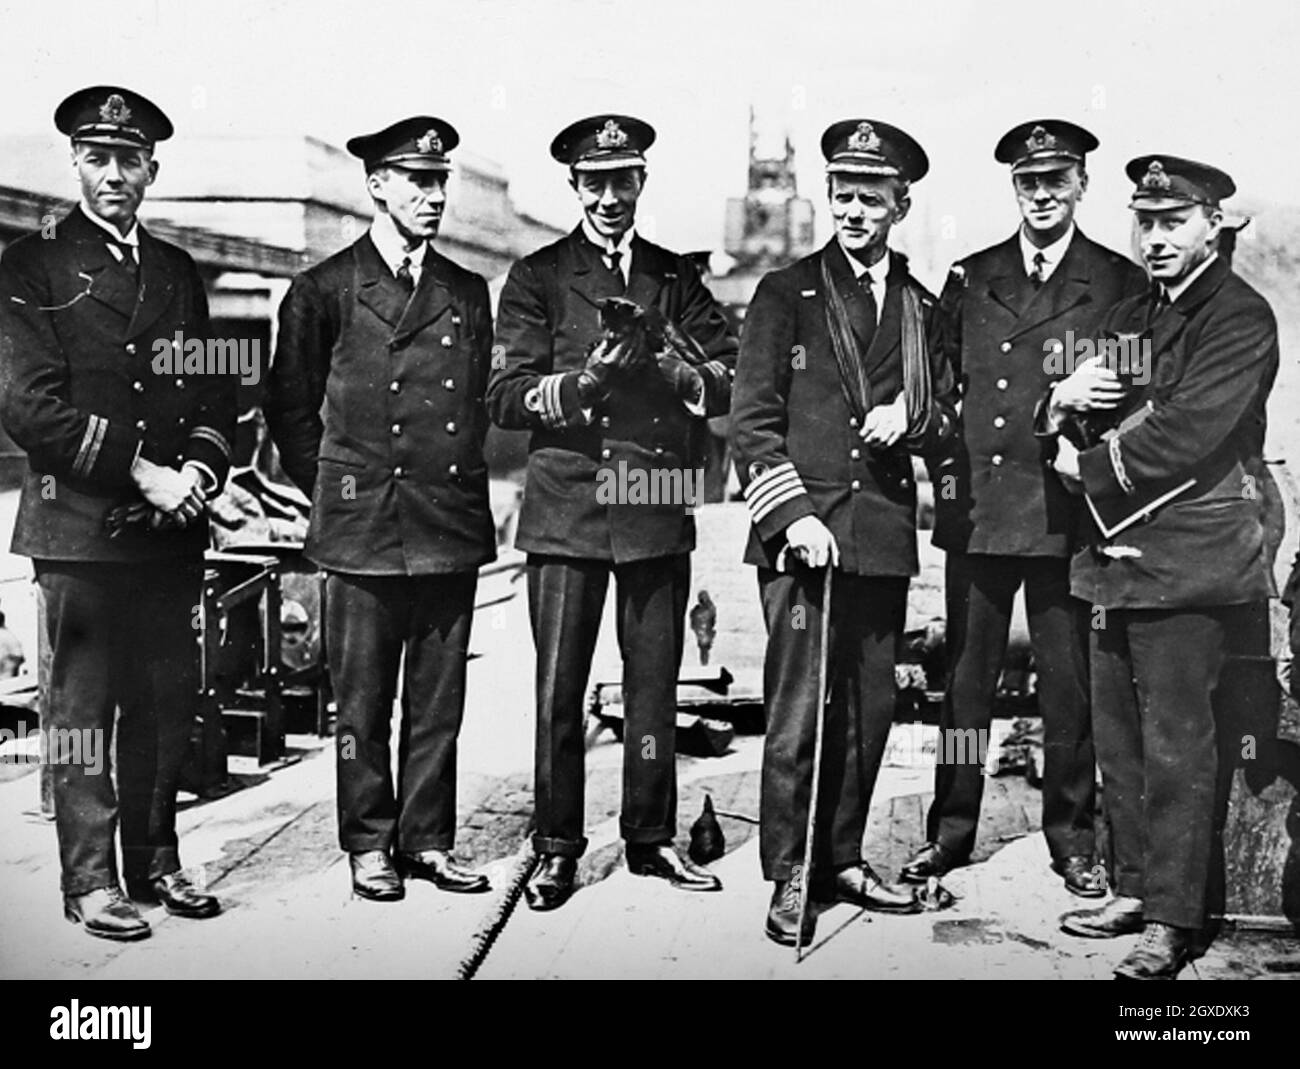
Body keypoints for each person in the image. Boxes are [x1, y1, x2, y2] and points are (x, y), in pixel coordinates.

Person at [0, 86, 235, 939]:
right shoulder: (31, 268)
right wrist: (144, 472)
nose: (112, 175)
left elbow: (216, 387)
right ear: (75, 164)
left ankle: (157, 858)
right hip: (81, 534)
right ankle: (90, 879)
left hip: (170, 532)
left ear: (152, 170)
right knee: (78, 716)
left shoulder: (176, 272)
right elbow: (30, 408)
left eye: (128, 160)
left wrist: (202, 469)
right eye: (96, 158)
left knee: (165, 704)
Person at [487, 114, 736, 911]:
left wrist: (671, 365)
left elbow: (730, 378)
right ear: (575, 188)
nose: (608, 197)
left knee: (655, 684)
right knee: (560, 687)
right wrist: (585, 385)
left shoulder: (675, 278)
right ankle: (557, 845)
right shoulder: (536, 277)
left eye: (621, 180)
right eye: (593, 182)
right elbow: (503, 396)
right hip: (567, 507)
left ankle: (651, 837)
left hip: (655, 503)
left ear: (640, 184)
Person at [902, 120, 1147, 896]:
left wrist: (1079, 418)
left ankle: (1072, 838)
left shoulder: (1119, 282)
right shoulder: (971, 277)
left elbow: (1133, 388)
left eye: (1056, 181)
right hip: (978, 508)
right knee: (966, 685)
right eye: (1028, 183)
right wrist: (947, 475)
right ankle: (950, 831)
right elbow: (935, 390)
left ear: (1082, 186)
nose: (1042, 195)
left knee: (1066, 682)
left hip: (1064, 509)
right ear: (1014, 188)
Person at [730, 119, 958, 946]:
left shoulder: (921, 306)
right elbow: (750, 422)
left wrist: (917, 416)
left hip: (881, 536)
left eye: (872, 197)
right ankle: (791, 872)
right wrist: (793, 517)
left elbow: (949, 423)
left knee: (869, 707)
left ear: (902, 203)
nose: (855, 211)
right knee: (798, 710)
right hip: (804, 539)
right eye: (843, 195)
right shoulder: (784, 293)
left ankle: (845, 857)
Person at [1054, 156, 1277, 979]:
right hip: (1112, 555)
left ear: (1214, 224)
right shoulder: (1131, 312)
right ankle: (1135, 887)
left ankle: (1174, 921)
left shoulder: (1240, 317)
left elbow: (1190, 428)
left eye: (1172, 222)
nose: (1154, 237)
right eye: (1144, 222)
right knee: (1119, 736)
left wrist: (1090, 466)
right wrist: (1060, 402)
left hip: (1191, 558)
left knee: (1179, 741)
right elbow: (1073, 394)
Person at [264, 117, 495, 901]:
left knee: (438, 702)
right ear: (377, 186)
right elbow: (289, 408)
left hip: (447, 526)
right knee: (362, 702)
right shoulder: (322, 289)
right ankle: (369, 841)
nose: (433, 196)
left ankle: (428, 839)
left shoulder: (465, 291)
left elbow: (476, 404)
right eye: (416, 181)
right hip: (362, 528)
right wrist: (336, 489)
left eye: (440, 182)